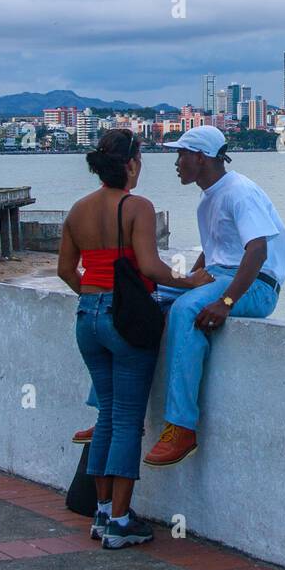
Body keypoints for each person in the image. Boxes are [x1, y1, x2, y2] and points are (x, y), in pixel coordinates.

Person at [58, 129, 213, 548]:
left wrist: (94, 298)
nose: (140, 168)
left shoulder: (77, 210)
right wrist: (190, 279)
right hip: (124, 323)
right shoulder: (136, 206)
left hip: (86, 318)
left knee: (107, 415)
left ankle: (102, 512)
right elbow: (150, 266)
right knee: (128, 419)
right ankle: (121, 522)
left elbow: (66, 271)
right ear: (130, 164)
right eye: (140, 160)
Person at [142, 125, 285, 466]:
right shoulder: (208, 198)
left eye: (181, 154)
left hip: (255, 284)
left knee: (184, 310)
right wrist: (188, 280)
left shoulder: (240, 192)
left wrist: (225, 302)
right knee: (141, 295)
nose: (177, 162)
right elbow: (214, 254)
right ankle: (117, 410)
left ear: (201, 157)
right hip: (224, 276)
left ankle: (181, 427)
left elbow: (257, 252)